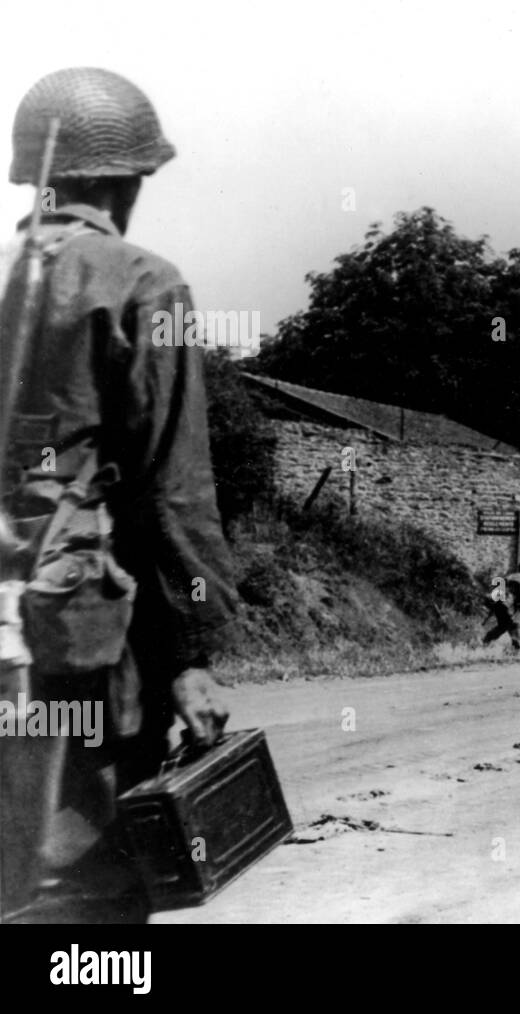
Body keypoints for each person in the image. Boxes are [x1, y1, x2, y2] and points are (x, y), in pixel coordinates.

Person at [0, 68, 236, 923]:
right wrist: (194, 653)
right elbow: (173, 491)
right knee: (83, 887)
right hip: (81, 647)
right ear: (122, 179)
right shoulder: (143, 284)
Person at [482, 558, 520, 651]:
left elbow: (498, 586)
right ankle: (515, 649)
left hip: (496, 601)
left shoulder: (511, 576)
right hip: (506, 603)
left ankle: (486, 641)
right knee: (514, 625)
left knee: (504, 625)